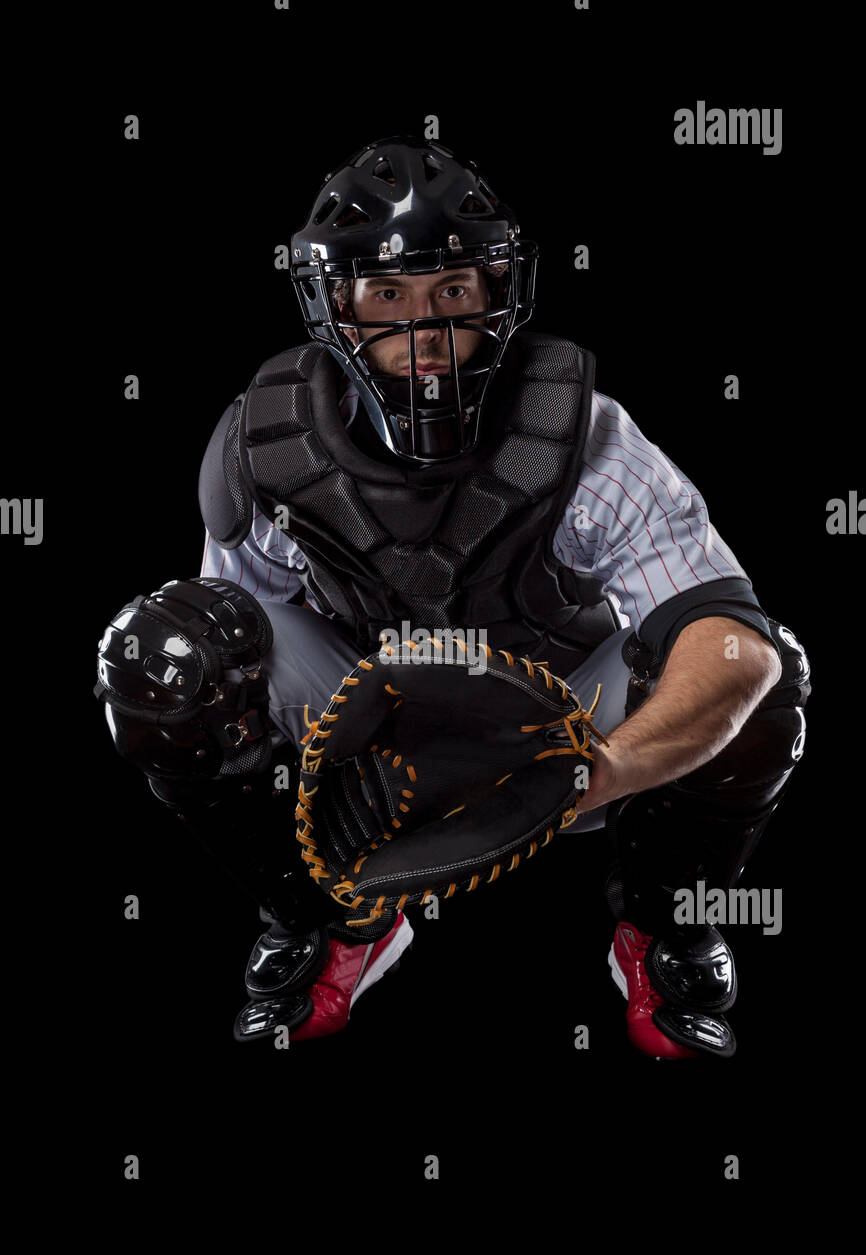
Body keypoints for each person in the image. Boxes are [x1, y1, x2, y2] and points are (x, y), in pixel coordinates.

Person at [95, 133, 810, 1057]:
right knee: (168, 658)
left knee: (766, 678)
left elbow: (736, 643)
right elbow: (231, 643)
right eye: (389, 295)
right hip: (371, 726)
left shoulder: (583, 438)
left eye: (453, 293)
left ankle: (663, 923)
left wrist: (597, 769)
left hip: (563, 731)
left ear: (499, 294)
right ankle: (330, 918)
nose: (424, 333)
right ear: (336, 307)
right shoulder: (265, 446)